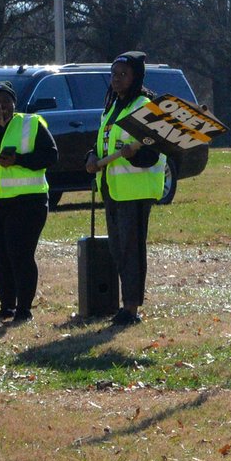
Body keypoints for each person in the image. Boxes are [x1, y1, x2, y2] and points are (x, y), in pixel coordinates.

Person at [0, 81, 57, 323]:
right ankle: (7, 307)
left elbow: (51, 155)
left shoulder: (31, 123)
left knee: (20, 253)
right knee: (1, 255)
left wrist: (18, 159)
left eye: (6, 101)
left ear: (14, 104)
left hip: (28, 201)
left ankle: (24, 310)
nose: (2, 106)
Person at [84, 52, 165, 326]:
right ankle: (125, 305)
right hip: (112, 188)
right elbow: (103, 143)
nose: (117, 80)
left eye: (123, 75)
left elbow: (154, 154)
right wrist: (91, 158)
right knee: (118, 250)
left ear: (136, 78)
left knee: (131, 250)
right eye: (114, 74)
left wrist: (134, 155)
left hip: (136, 191)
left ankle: (131, 308)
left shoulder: (145, 106)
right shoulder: (111, 106)